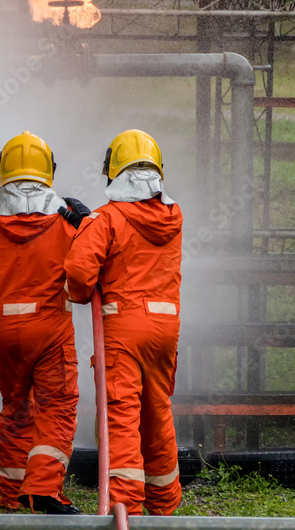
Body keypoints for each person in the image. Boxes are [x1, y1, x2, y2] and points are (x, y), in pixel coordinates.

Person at [63, 129, 183, 516]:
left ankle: (125, 508)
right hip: (165, 330)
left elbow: (79, 279)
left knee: (122, 417)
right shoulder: (173, 215)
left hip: (122, 331)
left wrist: (85, 227)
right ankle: (163, 505)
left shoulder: (106, 218)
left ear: (113, 173)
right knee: (158, 411)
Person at [0, 131, 86, 515]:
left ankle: (10, 489)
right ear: (49, 170)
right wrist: (86, 223)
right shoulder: (67, 223)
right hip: (51, 327)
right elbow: (86, 270)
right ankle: (41, 489)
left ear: (2, 170)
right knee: (56, 406)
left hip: (5, 329)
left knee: (16, 407)